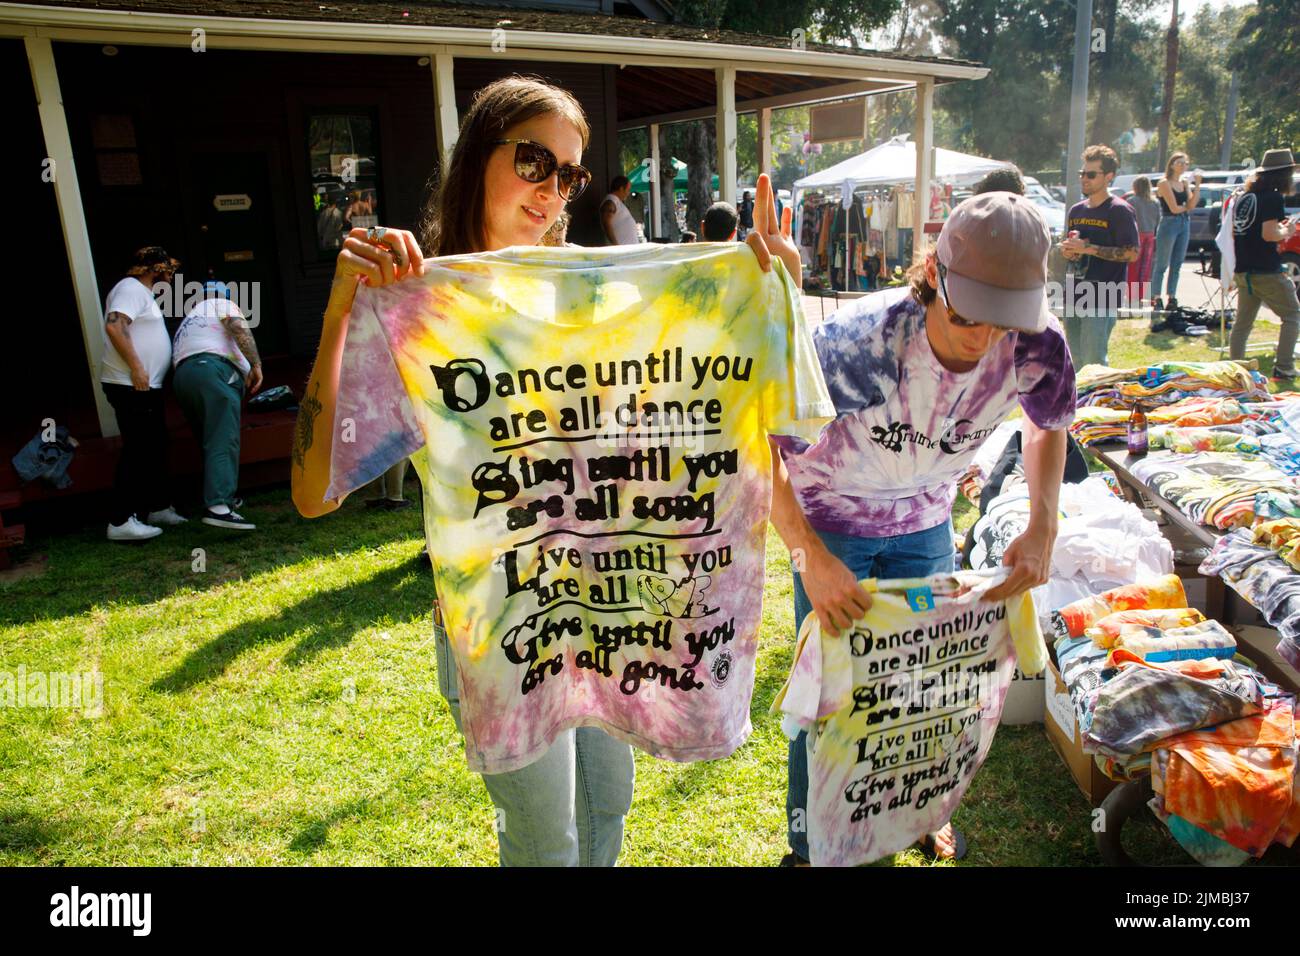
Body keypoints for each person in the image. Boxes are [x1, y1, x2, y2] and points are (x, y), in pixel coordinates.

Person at [290, 75, 803, 867]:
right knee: (545, 842)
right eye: (535, 161)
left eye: (569, 174)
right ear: (477, 159)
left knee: (608, 807)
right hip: (507, 632)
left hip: (612, 611)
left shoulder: (595, 292)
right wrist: (340, 313)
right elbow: (313, 493)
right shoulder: (419, 303)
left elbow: (706, 378)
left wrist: (767, 287)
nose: (552, 190)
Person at [768, 192, 1077, 866]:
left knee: (931, 686)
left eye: (1005, 320)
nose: (985, 337)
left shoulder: (1038, 344)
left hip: (928, 516)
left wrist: (1043, 521)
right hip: (834, 522)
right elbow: (755, 448)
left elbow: (1047, 425)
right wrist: (809, 557)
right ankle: (808, 841)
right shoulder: (863, 344)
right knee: (831, 689)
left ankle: (916, 814)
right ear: (933, 273)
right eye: (969, 315)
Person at [101, 246, 187, 542]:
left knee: (156, 444)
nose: (171, 277)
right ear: (155, 269)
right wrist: (137, 367)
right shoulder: (130, 288)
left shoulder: (142, 293)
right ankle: (121, 520)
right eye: (169, 271)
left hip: (145, 387)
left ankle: (158, 507)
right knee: (138, 448)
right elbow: (114, 325)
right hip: (130, 384)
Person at [171, 280, 263, 530]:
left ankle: (225, 496)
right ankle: (219, 506)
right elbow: (237, 326)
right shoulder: (220, 303)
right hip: (212, 372)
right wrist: (255, 364)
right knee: (224, 437)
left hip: (183, 378)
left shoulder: (190, 319)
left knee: (210, 438)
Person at [1060, 144, 1139, 369]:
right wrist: (1069, 250)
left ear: (1109, 177)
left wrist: (1089, 249)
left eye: (1091, 174)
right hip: (1073, 291)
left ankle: (1099, 402)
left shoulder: (1119, 210)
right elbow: (1075, 247)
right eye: (1082, 173)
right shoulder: (1076, 210)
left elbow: (1132, 254)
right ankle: (1079, 404)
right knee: (1074, 362)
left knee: (1094, 362)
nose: (1085, 178)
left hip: (1103, 294)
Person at [1228, 149, 1300, 381]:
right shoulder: (1273, 197)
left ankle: (1236, 370)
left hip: (1244, 268)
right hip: (1266, 269)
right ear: (1284, 174)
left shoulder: (1245, 196)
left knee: (1242, 325)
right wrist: (1287, 231)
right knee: (1292, 316)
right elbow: (1269, 234)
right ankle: (1284, 368)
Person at [1148, 152, 1202, 313]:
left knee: (1177, 263)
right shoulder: (1164, 183)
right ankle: (1156, 297)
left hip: (1184, 222)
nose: (1183, 166)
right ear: (1171, 165)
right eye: (1179, 162)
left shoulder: (1184, 183)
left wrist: (1197, 185)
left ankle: (1172, 296)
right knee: (1162, 263)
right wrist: (1185, 207)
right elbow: (1173, 207)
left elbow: (1192, 204)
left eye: (1185, 163)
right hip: (1169, 222)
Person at [1127, 176, 1160, 304]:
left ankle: (1131, 297)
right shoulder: (1155, 202)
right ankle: (1141, 296)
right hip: (1150, 235)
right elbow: (1158, 219)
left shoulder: (1132, 201)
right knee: (1146, 267)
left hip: (1137, 235)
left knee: (1133, 266)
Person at [599, 175, 639, 245]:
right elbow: (606, 223)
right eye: (628, 190)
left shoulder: (616, 201)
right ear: (621, 188)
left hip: (627, 250)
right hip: (621, 250)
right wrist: (616, 245)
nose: (628, 193)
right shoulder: (610, 201)